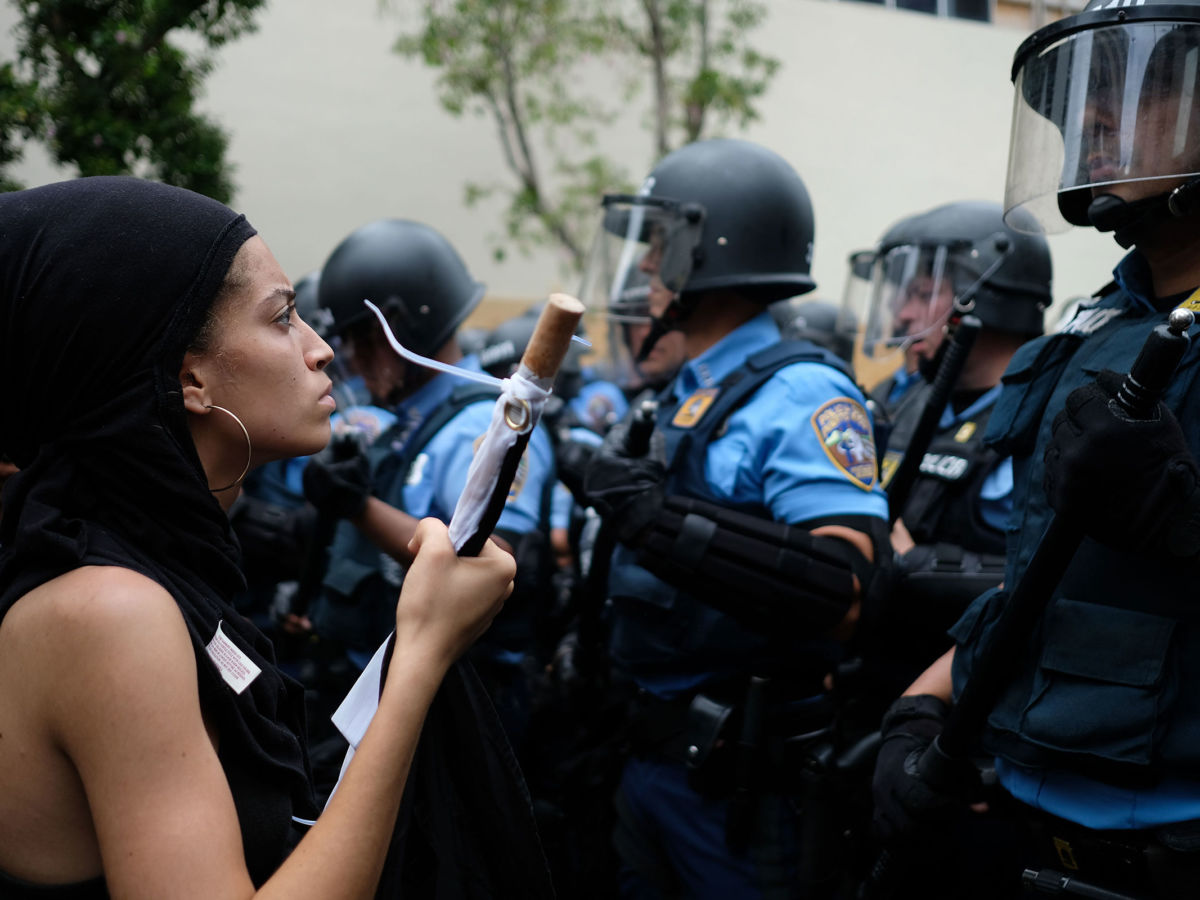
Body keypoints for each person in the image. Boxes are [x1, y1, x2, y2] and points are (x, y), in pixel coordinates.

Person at [0, 176, 516, 897]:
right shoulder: (109, 612)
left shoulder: (151, 569)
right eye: (283, 319)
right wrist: (423, 651)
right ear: (192, 380)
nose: (322, 350)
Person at [871, 4, 1200, 897]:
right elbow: (1036, 581)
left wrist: (1186, 519)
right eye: (1084, 97)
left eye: (1140, 85)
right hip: (1018, 826)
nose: (1092, 120)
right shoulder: (1097, 325)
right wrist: (923, 708)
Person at [575, 137, 892, 898]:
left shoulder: (803, 395)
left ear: (718, 250)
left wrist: (661, 520)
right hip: (651, 752)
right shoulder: (690, 390)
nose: (647, 264)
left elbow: (847, 592)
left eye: (661, 242)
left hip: (741, 775)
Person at [300, 218, 556, 749]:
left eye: (356, 339)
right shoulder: (402, 419)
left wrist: (358, 507)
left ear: (397, 329)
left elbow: (500, 562)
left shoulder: (483, 429)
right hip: (375, 686)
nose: (348, 357)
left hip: (452, 707)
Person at [859, 200, 1054, 703]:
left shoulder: (1046, 420)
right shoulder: (903, 403)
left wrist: (916, 565)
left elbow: (1053, 587)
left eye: (923, 294)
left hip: (965, 712)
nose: (901, 312)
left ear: (988, 297)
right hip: (870, 687)